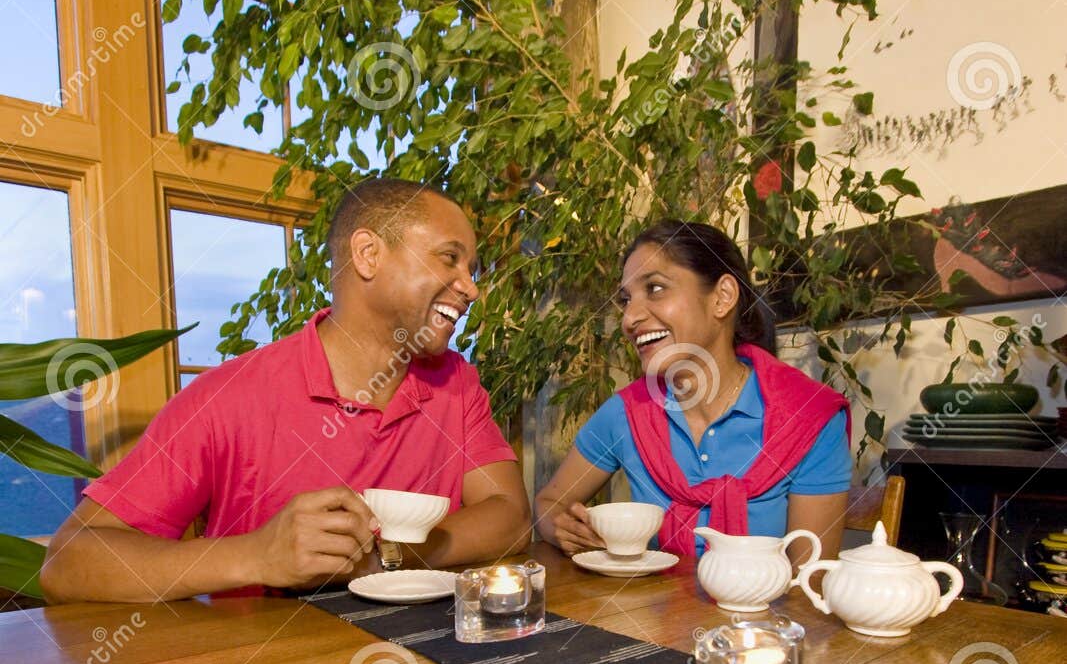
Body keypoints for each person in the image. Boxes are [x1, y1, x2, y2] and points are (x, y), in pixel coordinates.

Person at [42, 179, 531, 601]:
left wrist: (382, 556)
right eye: (450, 259)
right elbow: (67, 562)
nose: (470, 288)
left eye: (472, 269)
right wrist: (257, 556)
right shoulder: (228, 397)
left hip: (427, 660)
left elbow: (510, 517)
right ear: (368, 254)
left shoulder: (456, 384)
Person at [535, 219, 851, 559]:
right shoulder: (627, 412)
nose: (629, 319)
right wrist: (560, 529)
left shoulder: (809, 418)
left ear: (722, 297)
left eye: (655, 288)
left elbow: (808, 579)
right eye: (626, 299)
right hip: (648, 597)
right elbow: (550, 502)